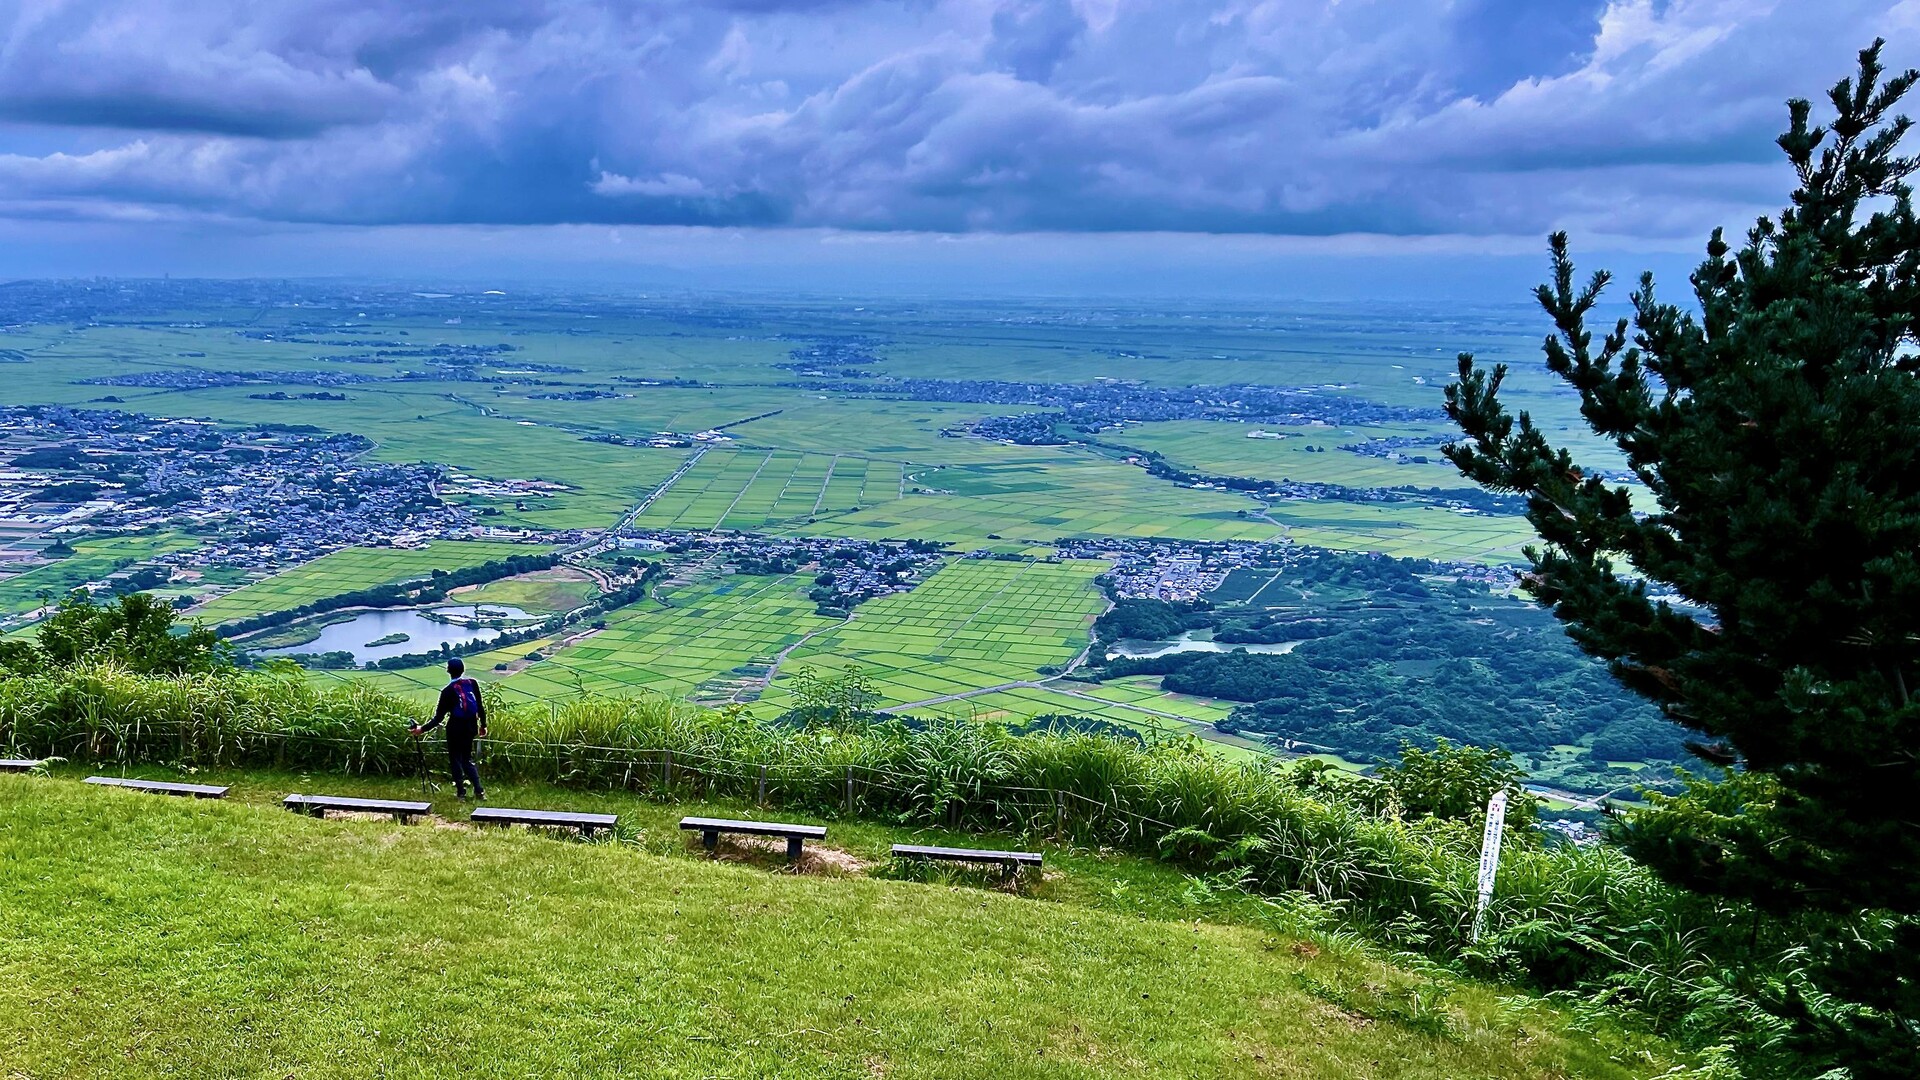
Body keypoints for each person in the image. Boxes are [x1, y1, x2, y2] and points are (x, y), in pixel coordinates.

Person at [411, 657, 488, 800]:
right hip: (471, 726)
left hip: (455, 728)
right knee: (467, 759)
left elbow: (438, 718)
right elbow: (480, 706)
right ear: (463, 670)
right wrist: (483, 725)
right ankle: (479, 790)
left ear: (448, 671)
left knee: (455, 760)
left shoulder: (447, 692)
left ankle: (461, 793)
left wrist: (422, 729)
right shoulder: (472, 683)